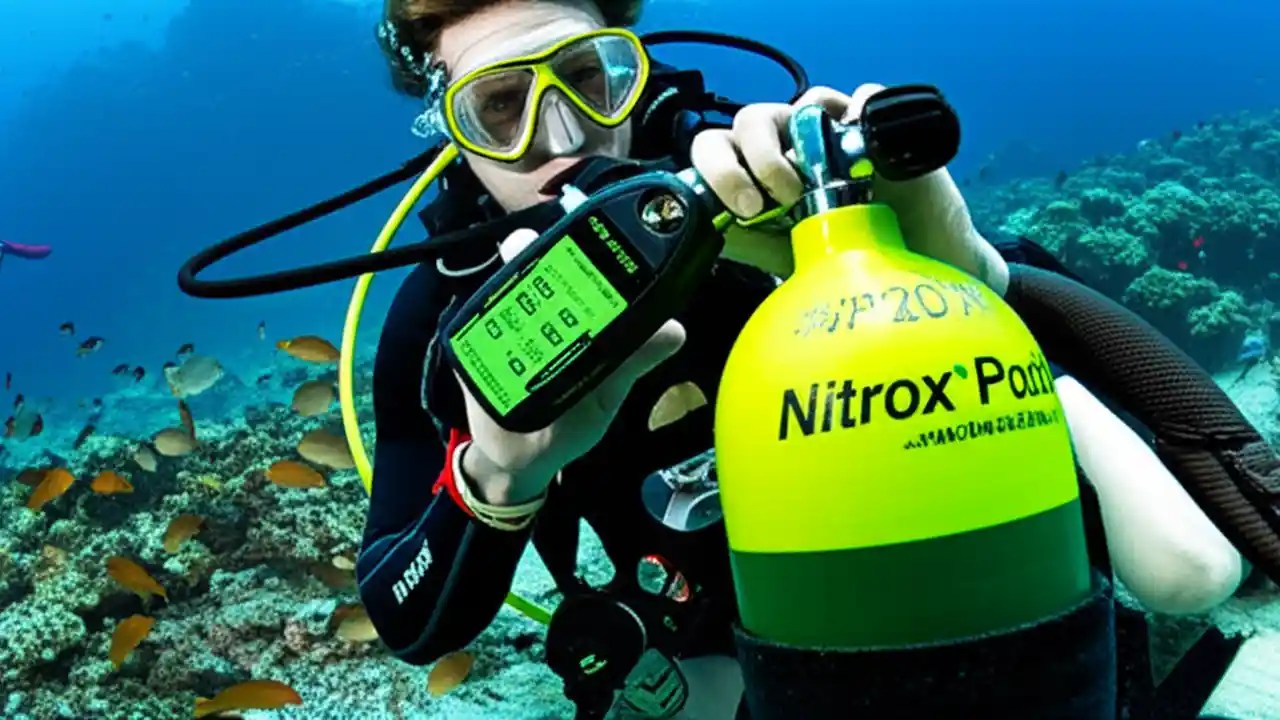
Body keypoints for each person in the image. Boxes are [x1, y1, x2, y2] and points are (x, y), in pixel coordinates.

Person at [355, 1, 1246, 717]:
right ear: (450, 129)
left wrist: (969, 271)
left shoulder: (757, 185)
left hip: (970, 582)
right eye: (499, 108)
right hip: (723, 635)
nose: (559, 139)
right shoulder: (443, 322)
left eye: (589, 80)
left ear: (633, 73)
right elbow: (408, 618)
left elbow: (1123, 385)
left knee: (1181, 578)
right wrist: (494, 486)